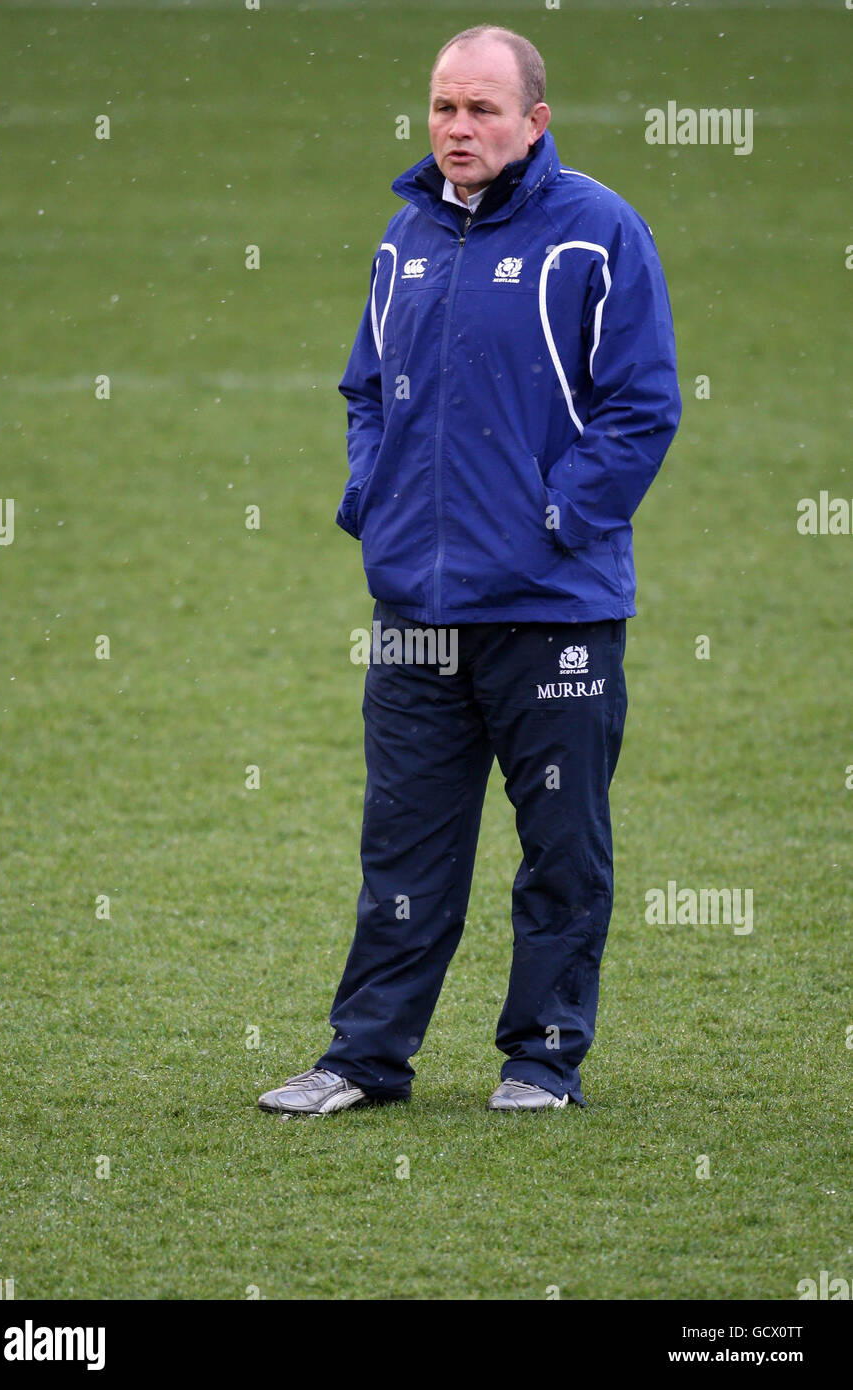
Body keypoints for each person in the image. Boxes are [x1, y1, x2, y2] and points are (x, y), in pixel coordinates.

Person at [260, 24, 681, 1115]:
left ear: (533, 120)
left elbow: (641, 405)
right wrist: (375, 502)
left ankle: (540, 1059)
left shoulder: (596, 231)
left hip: (553, 610)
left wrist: (554, 519)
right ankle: (363, 1059)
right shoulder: (402, 238)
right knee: (401, 850)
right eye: (444, 107)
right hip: (415, 613)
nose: (458, 127)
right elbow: (365, 389)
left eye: (481, 109)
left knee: (560, 853)